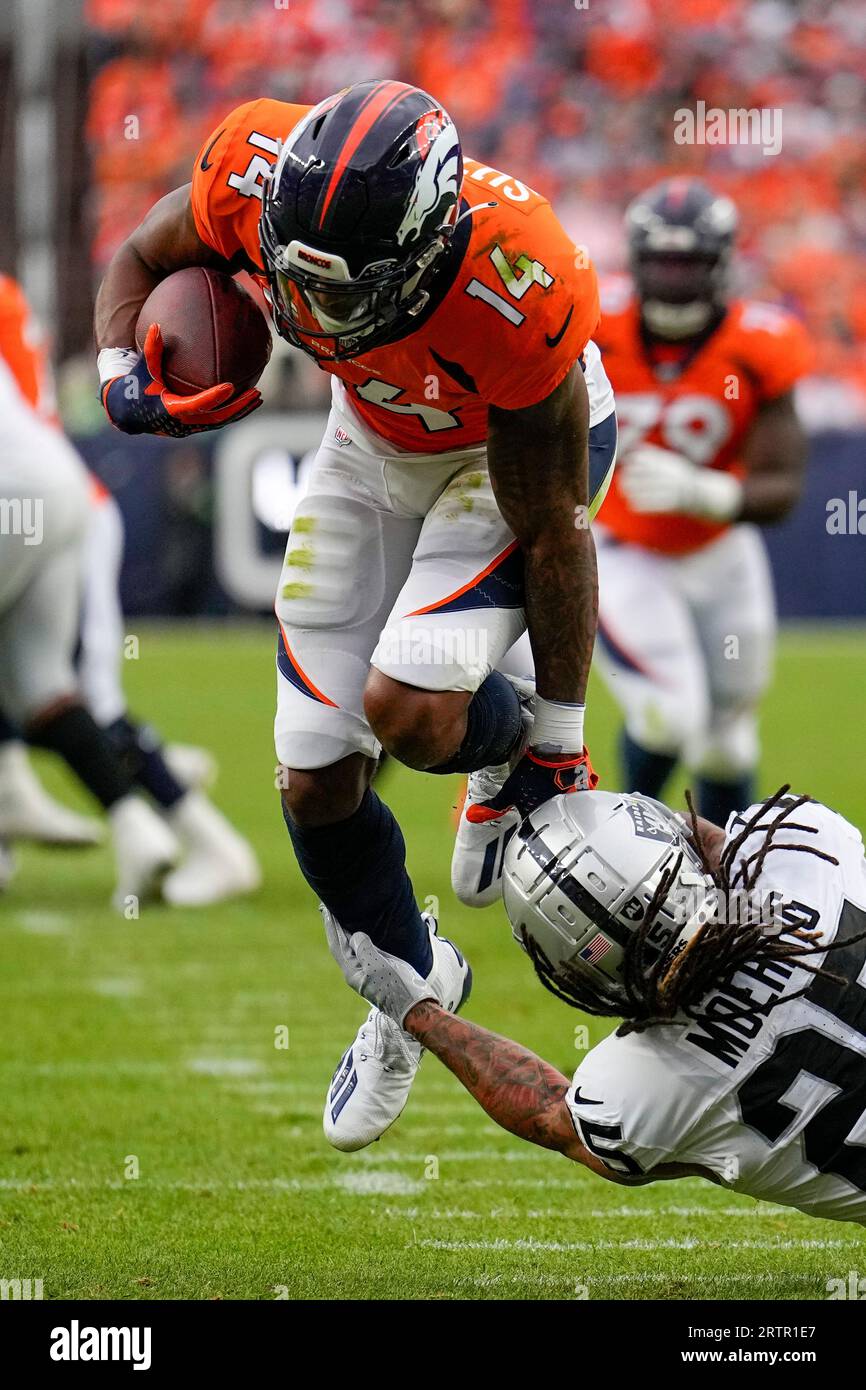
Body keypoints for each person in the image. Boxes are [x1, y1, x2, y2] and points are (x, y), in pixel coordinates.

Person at [94, 80, 617, 1150]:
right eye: (300, 278)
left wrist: (556, 741)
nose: (316, 315)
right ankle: (406, 985)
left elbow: (556, 527)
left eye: (351, 289)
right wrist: (119, 377)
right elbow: (141, 259)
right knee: (315, 776)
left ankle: (501, 736)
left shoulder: (518, 284)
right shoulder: (253, 167)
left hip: (498, 463)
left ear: (426, 251)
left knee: (409, 709)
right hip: (369, 447)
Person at [326, 785, 866, 1224]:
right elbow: (707, 840)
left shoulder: (648, 1086)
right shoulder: (808, 849)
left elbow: (550, 1114)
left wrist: (419, 1012)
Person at [503, 179, 810, 830]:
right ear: (638, 262)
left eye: (689, 264)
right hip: (622, 549)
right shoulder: (592, 321)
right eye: (662, 263)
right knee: (669, 714)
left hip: (720, 551)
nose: (674, 279)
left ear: (721, 265)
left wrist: (707, 492)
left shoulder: (761, 344)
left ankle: (724, 875)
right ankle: (626, 856)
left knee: (728, 740)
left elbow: (783, 487)